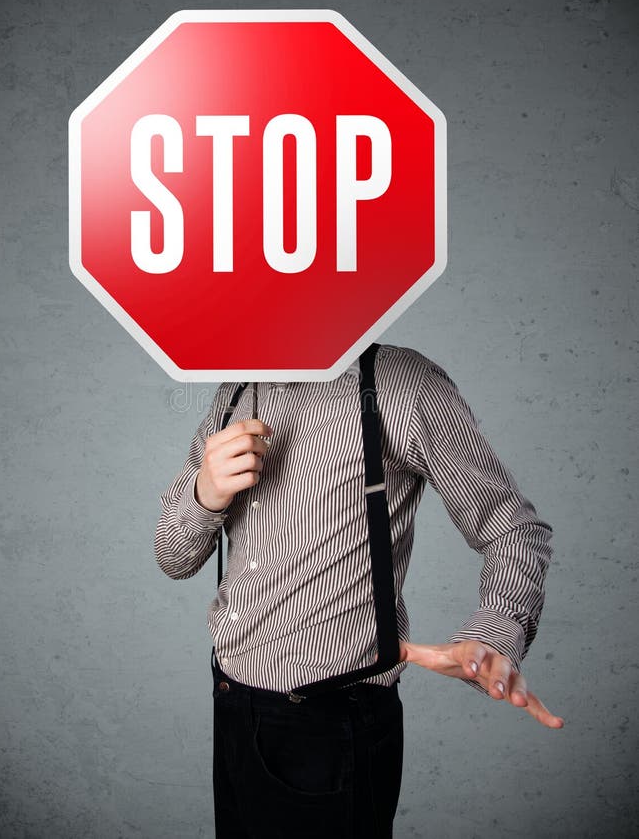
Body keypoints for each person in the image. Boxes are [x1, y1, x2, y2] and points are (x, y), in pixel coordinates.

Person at [154, 343, 564, 839]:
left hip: (332, 727)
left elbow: (513, 529)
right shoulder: (237, 390)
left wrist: (495, 635)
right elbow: (174, 558)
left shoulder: (404, 384)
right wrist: (206, 493)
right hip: (234, 705)